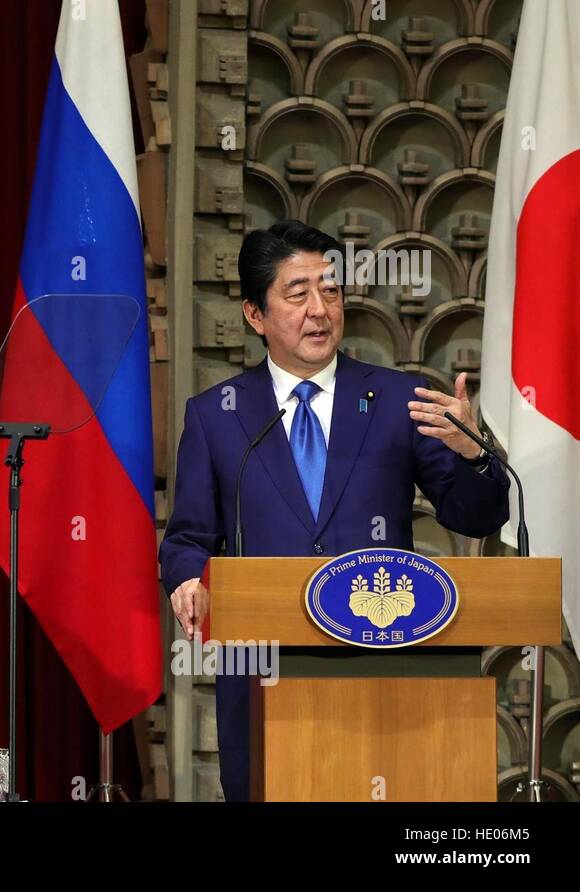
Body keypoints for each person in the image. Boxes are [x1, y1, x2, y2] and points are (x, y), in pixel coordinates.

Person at [160, 220, 510, 801]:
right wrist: (186, 580)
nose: (319, 310)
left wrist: (474, 453)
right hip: (263, 679)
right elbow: (189, 536)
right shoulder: (217, 415)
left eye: (331, 290)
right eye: (297, 294)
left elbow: (475, 516)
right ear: (255, 315)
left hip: (382, 668)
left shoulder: (399, 399)